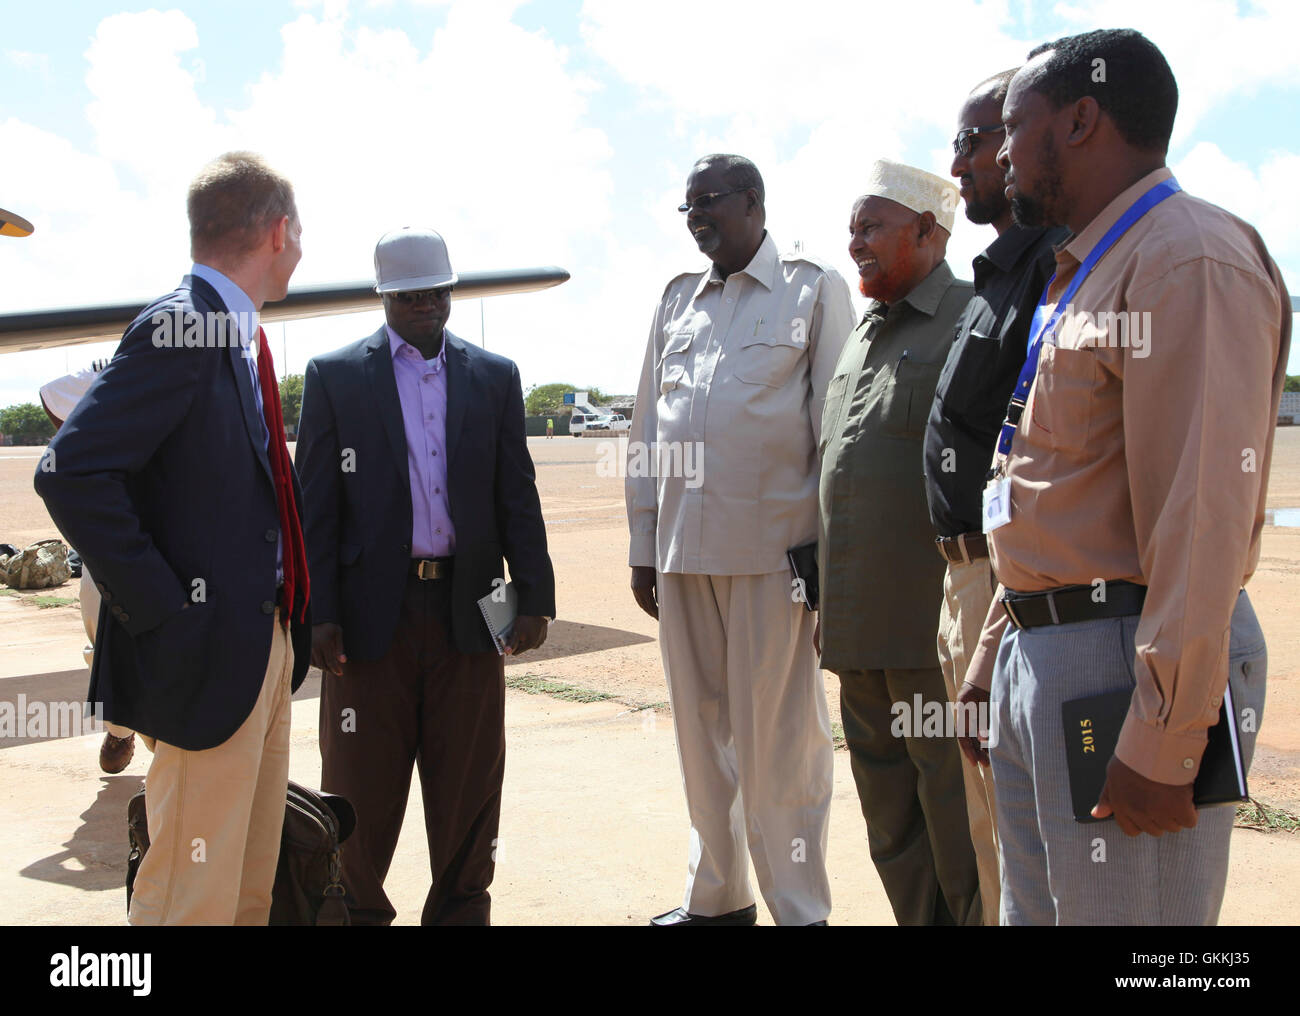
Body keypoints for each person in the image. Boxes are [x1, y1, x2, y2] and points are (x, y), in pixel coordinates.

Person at [957, 29, 1291, 925]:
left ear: (1081, 120)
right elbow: (1050, 483)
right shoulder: (1086, 269)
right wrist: (999, 647)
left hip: (1129, 658)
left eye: (1011, 127)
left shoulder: (1187, 258)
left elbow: (1202, 512)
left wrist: (1169, 734)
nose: (999, 154)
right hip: (1051, 649)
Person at [34, 151, 311, 924]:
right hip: (202, 659)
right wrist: (164, 610)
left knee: (247, 884)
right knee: (189, 897)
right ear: (279, 232)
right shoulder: (182, 326)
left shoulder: (232, 332)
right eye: (302, 232)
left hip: (260, 646)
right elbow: (72, 472)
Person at [296, 227, 555, 926]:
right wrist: (316, 613)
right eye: (408, 295)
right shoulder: (337, 377)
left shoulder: (493, 376)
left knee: (469, 782)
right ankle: (355, 913)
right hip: (367, 617)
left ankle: (463, 911)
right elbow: (313, 508)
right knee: (357, 783)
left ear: (450, 291)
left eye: (435, 292)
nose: (424, 305)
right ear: (384, 296)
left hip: (473, 606)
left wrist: (532, 594)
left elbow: (515, 491)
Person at [627, 154, 853, 926]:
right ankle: (717, 902)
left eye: (709, 202)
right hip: (686, 557)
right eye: (686, 205)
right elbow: (647, 429)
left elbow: (837, 430)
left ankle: (800, 911)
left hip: (774, 559)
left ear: (754, 202)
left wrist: (831, 556)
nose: (696, 217)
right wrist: (643, 543)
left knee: (781, 748)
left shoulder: (812, 288)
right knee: (700, 741)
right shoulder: (676, 301)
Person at [923, 71, 1069, 924]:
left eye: (976, 140)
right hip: (965, 579)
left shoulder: (1057, 269)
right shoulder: (998, 274)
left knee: (1029, 827)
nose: (964, 162)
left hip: (1011, 585)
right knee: (986, 812)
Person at [818, 159, 980, 925]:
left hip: (930, 637)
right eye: (851, 229)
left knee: (956, 820)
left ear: (927, 230)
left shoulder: (971, 320)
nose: (855, 244)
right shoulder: (863, 335)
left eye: (871, 227)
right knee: (889, 825)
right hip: (857, 637)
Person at [39, 363, 139, 774]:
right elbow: (53, 393)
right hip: (113, 533)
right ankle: (120, 727)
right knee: (103, 626)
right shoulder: (122, 360)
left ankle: (168, 743)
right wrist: (84, 439)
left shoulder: (216, 365)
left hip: (180, 522)